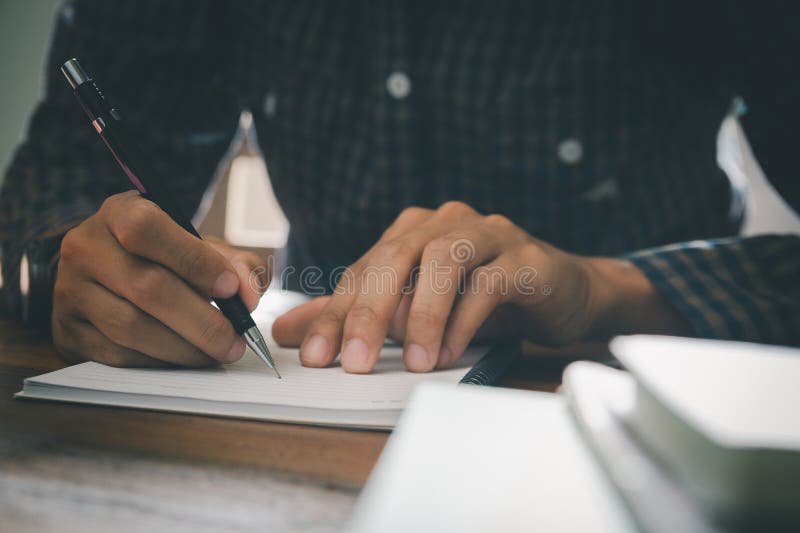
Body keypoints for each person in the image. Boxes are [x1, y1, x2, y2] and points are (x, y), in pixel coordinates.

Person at [0, 0, 797, 374]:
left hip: (646, 405)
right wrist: (66, 263)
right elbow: (67, 175)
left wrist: (609, 287)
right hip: (314, 404)